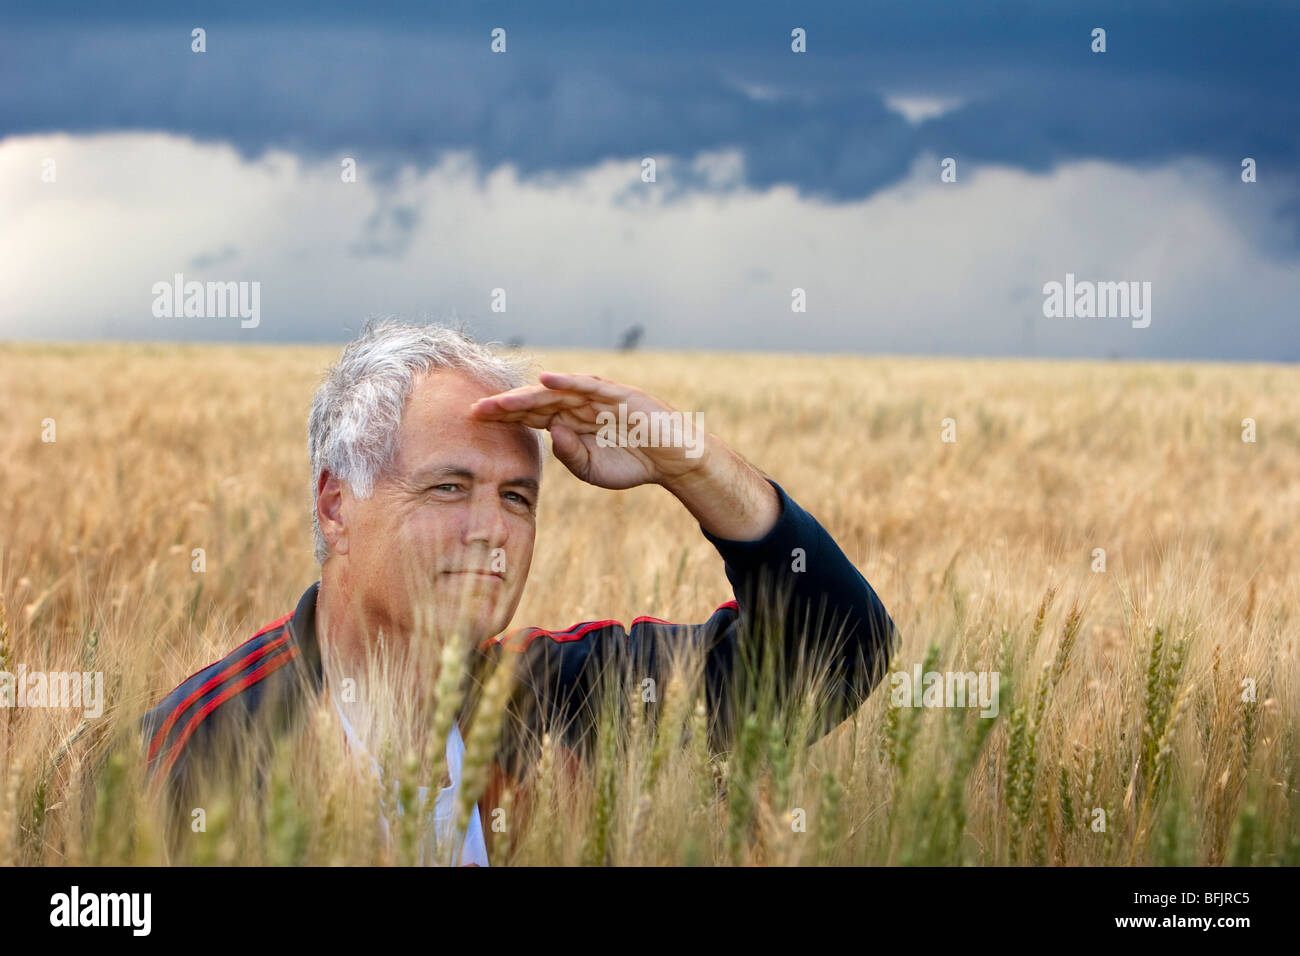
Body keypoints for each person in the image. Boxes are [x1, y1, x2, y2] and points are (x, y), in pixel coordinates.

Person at [141, 319, 899, 864]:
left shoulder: (563, 698)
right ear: (336, 505)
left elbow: (836, 653)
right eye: (448, 487)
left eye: (517, 498)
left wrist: (691, 464)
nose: (490, 531)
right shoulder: (204, 747)